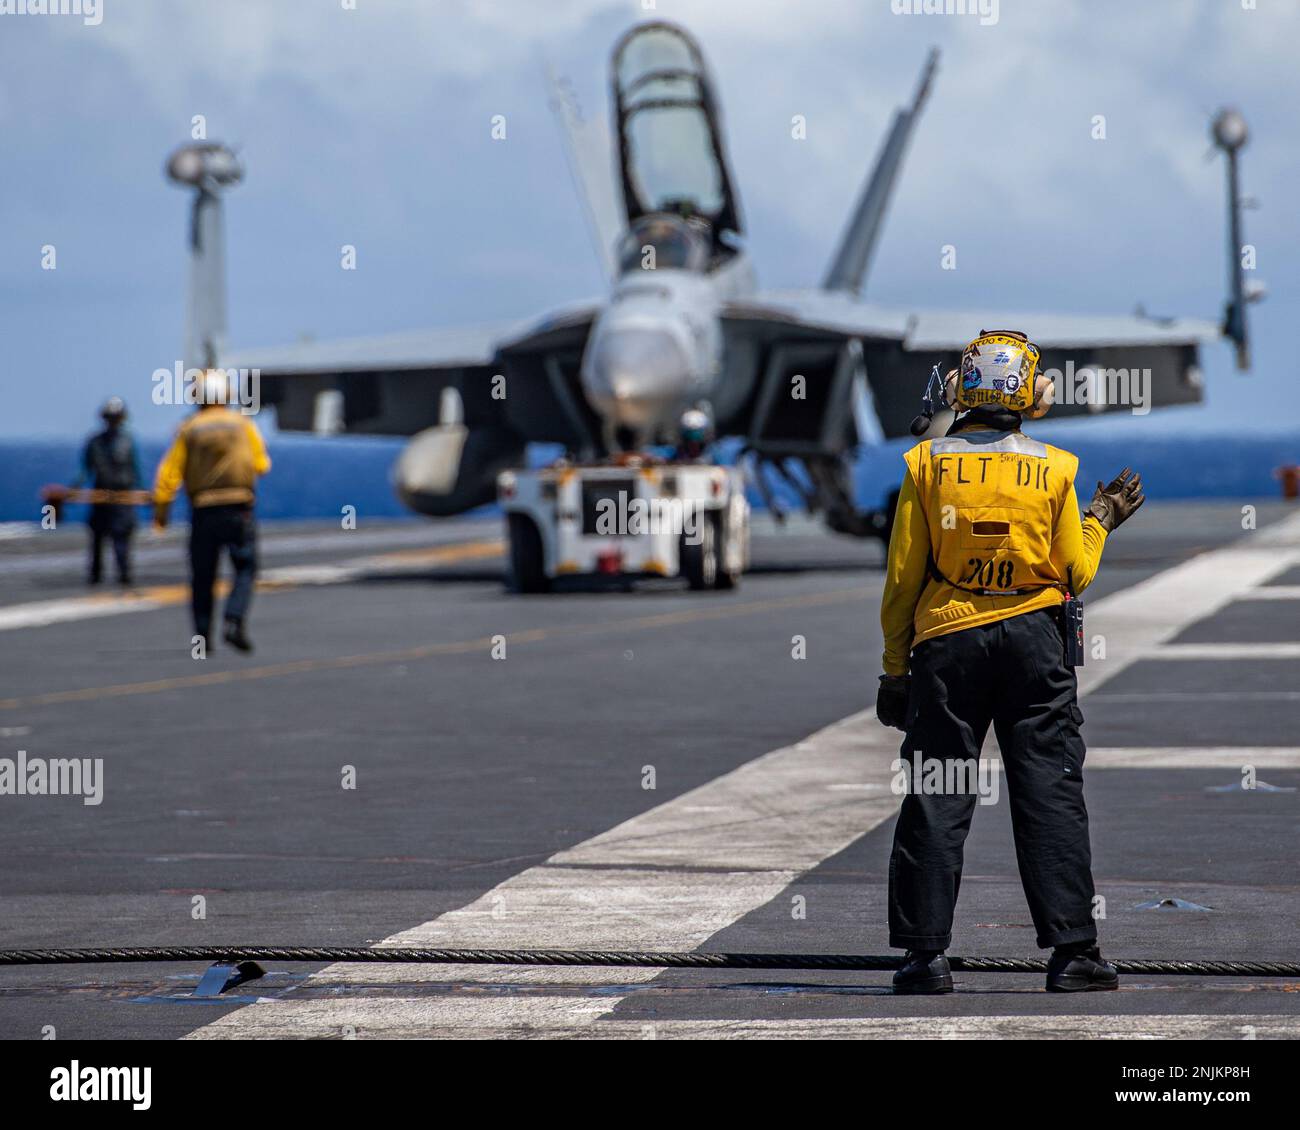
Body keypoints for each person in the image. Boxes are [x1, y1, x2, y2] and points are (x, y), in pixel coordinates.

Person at [877, 329, 1144, 994]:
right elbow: (1074, 572)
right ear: (1028, 392)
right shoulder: (1057, 468)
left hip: (947, 643)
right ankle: (1073, 954)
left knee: (937, 793)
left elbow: (902, 584)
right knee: (1049, 791)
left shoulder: (925, 465)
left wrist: (895, 672)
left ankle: (924, 960)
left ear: (964, 389)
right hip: (1034, 642)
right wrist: (1101, 519)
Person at [152, 370, 271, 653]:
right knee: (244, 568)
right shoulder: (242, 425)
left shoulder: (189, 428)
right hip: (239, 508)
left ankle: (202, 638)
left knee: (203, 575)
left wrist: (161, 515)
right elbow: (262, 464)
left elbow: (169, 476)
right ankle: (234, 619)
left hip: (203, 509)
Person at [78, 397, 142, 586]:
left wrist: (146, 492)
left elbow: (135, 469)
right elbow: (86, 469)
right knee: (97, 537)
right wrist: (73, 488)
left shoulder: (128, 441)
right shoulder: (94, 442)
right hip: (101, 496)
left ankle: (124, 574)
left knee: (121, 537)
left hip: (123, 496)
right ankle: (95, 575)